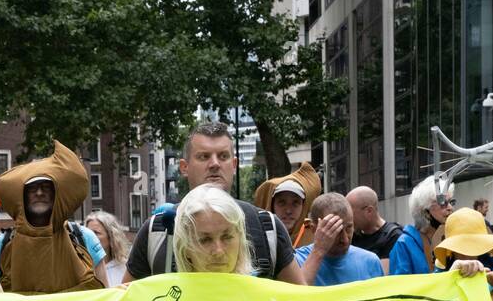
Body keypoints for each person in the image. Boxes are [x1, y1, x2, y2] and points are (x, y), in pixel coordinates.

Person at [123, 120, 305, 286]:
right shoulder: (156, 232)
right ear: (183, 167)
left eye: (223, 156)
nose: (215, 164)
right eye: (204, 156)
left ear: (234, 165)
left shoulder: (267, 228)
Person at [0, 141, 108, 292]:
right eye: (32, 189)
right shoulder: (2, 245)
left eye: (46, 187)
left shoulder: (84, 238)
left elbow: (106, 296)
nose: (39, 193)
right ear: (22, 196)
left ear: (55, 193)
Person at [294, 192, 383, 286]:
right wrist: (318, 252)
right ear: (314, 229)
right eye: (335, 230)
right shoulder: (296, 262)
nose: (345, 239)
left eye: (349, 228)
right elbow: (295, 295)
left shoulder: (370, 262)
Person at [388, 175, 455, 276]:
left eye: (451, 202)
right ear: (425, 211)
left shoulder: (453, 237)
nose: (450, 207)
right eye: (442, 203)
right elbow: (400, 287)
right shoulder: (404, 244)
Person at [254, 161, 322, 247]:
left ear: (304, 206)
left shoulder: (316, 235)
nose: (288, 211)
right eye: (282, 202)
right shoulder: (257, 238)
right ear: (272, 205)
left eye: (295, 203)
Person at [346, 186, 402, 273]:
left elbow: (381, 276)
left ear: (369, 211)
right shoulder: (353, 235)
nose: (348, 218)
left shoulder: (393, 236)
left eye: (351, 213)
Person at [432, 207, 493, 273]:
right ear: (451, 249)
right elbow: (433, 284)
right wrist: (450, 276)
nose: (467, 254)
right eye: (460, 247)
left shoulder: (492, 266)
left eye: (473, 246)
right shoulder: (442, 269)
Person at [84, 210, 130, 287]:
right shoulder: (82, 269)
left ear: (111, 237)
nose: (90, 237)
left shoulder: (126, 269)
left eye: (96, 233)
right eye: (88, 233)